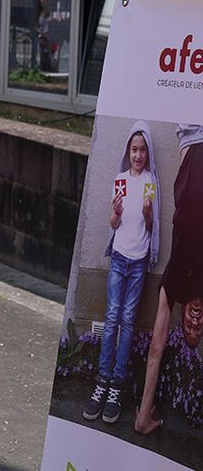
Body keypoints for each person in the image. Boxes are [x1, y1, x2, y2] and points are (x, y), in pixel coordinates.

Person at [84, 122, 159, 424]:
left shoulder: (151, 181)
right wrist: (115, 212)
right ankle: (101, 381)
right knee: (112, 317)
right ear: (128, 153)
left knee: (128, 321)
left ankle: (117, 384)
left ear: (147, 152)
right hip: (118, 259)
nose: (138, 155)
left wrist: (148, 214)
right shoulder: (120, 180)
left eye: (142, 150)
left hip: (139, 262)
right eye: (134, 149)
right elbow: (113, 225)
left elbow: (152, 228)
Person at [135, 124, 203, 435]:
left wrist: (142, 418)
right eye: (197, 328)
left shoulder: (172, 282)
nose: (194, 322)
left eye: (188, 327)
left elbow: (156, 349)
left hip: (194, 136)